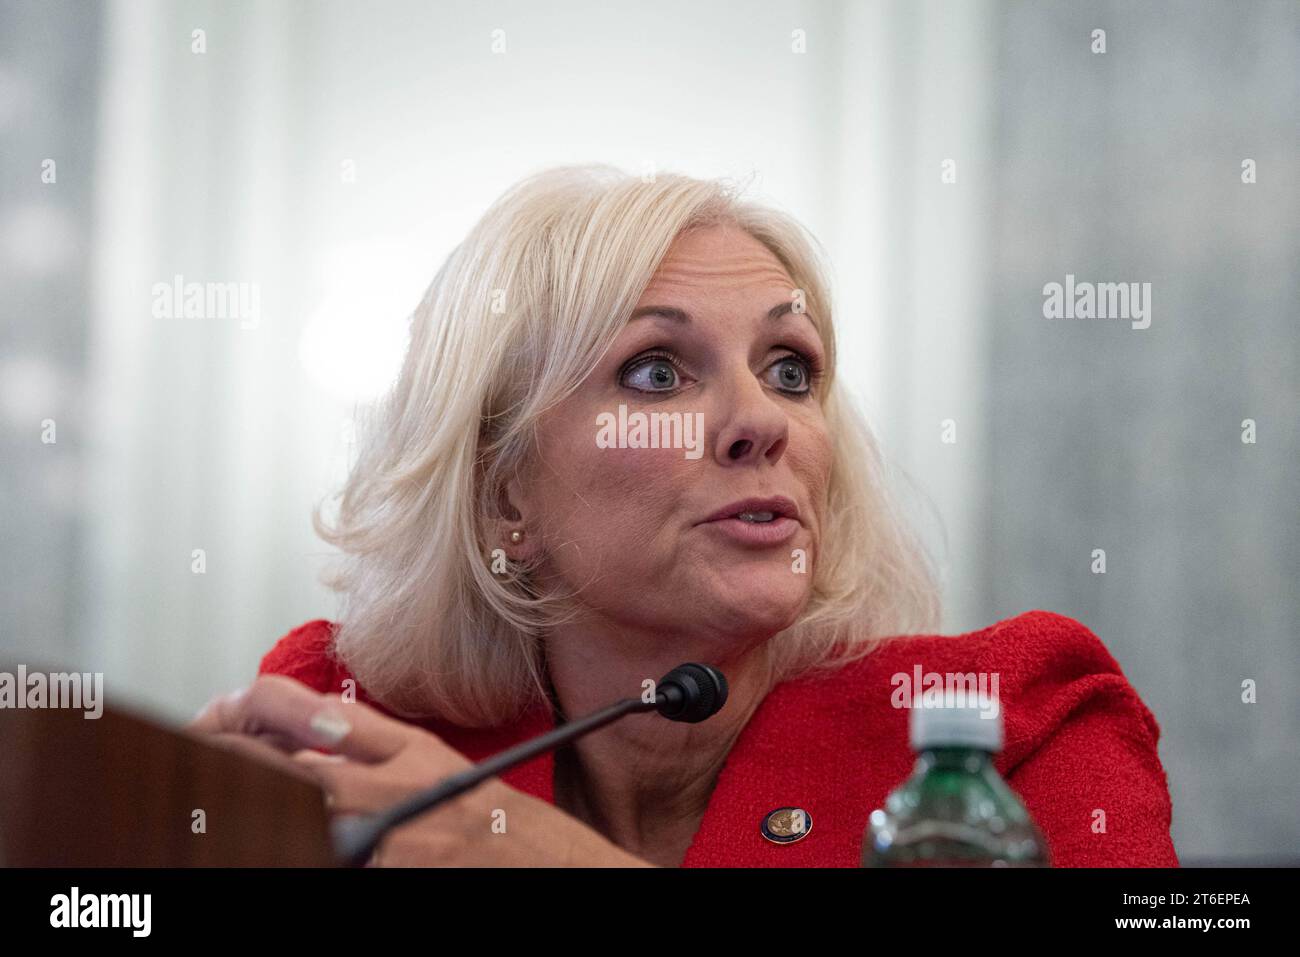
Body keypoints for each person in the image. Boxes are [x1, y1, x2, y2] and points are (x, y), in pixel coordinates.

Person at [190, 165, 1178, 867]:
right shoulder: (355, 723)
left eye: (790, 370)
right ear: (504, 495)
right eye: (655, 373)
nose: (761, 422)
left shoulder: (1011, 725)